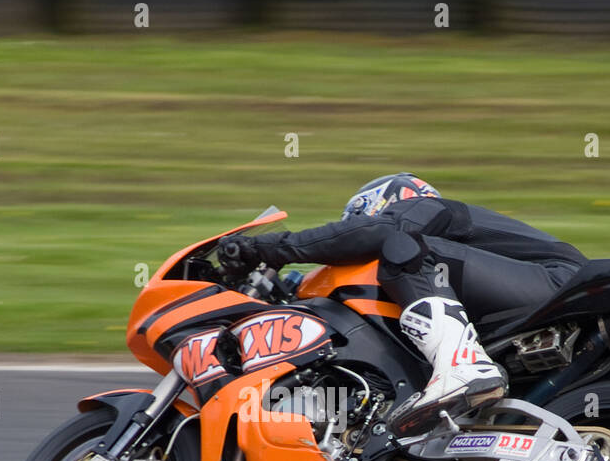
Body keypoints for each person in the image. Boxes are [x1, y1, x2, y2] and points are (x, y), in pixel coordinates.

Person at [219, 173, 587, 435]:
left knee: (399, 247)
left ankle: (464, 370)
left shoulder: (424, 210)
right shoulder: (447, 272)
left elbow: (380, 233)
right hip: (540, 305)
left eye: (355, 222)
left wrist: (260, 249)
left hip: (554, 281)